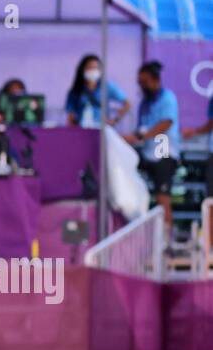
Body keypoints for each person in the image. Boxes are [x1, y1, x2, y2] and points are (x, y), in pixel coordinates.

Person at [128, 60, 179, 229]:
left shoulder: (167, 98)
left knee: (162, 196)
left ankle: (166, 237)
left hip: (163, 148)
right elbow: (141, 130)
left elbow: (166, 124)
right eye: (140, 83)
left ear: (155, 80)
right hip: (148, 151)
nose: (142, 86)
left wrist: (144, 136)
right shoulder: (145, 103)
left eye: (145, 82)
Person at [65, 54, 129, 129]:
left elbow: (127, 103)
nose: (92, 71)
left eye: (95, 68)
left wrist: (115, 120)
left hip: (101, 129)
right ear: (82, 70)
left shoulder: (106, 86)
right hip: (82, 129)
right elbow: (70, 116)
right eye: (89, 68)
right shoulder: (76, 90)